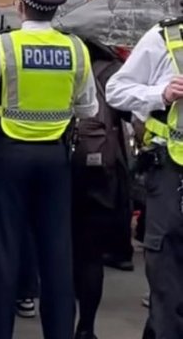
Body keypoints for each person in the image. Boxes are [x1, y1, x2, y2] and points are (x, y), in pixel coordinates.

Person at [0, 0, 98, 339]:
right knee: (57, 254)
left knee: (4, 253)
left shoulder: (3, 47)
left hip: (8, 156)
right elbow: (88, 109)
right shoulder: (75, 48)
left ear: (21, 4)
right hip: (55, 159)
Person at [105, 10, 183, 339]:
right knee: (166, 273)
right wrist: (160, 94)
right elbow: (116, 91)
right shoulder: (164, 39)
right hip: (170, 171)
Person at [70, 42, 127, 339]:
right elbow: (132, 116)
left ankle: (62, 325)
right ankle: (86, 328)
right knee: (91, 256)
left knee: (62, 253)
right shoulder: (114, 70)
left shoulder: (65, 59)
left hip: (64, 164)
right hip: (101, 171)